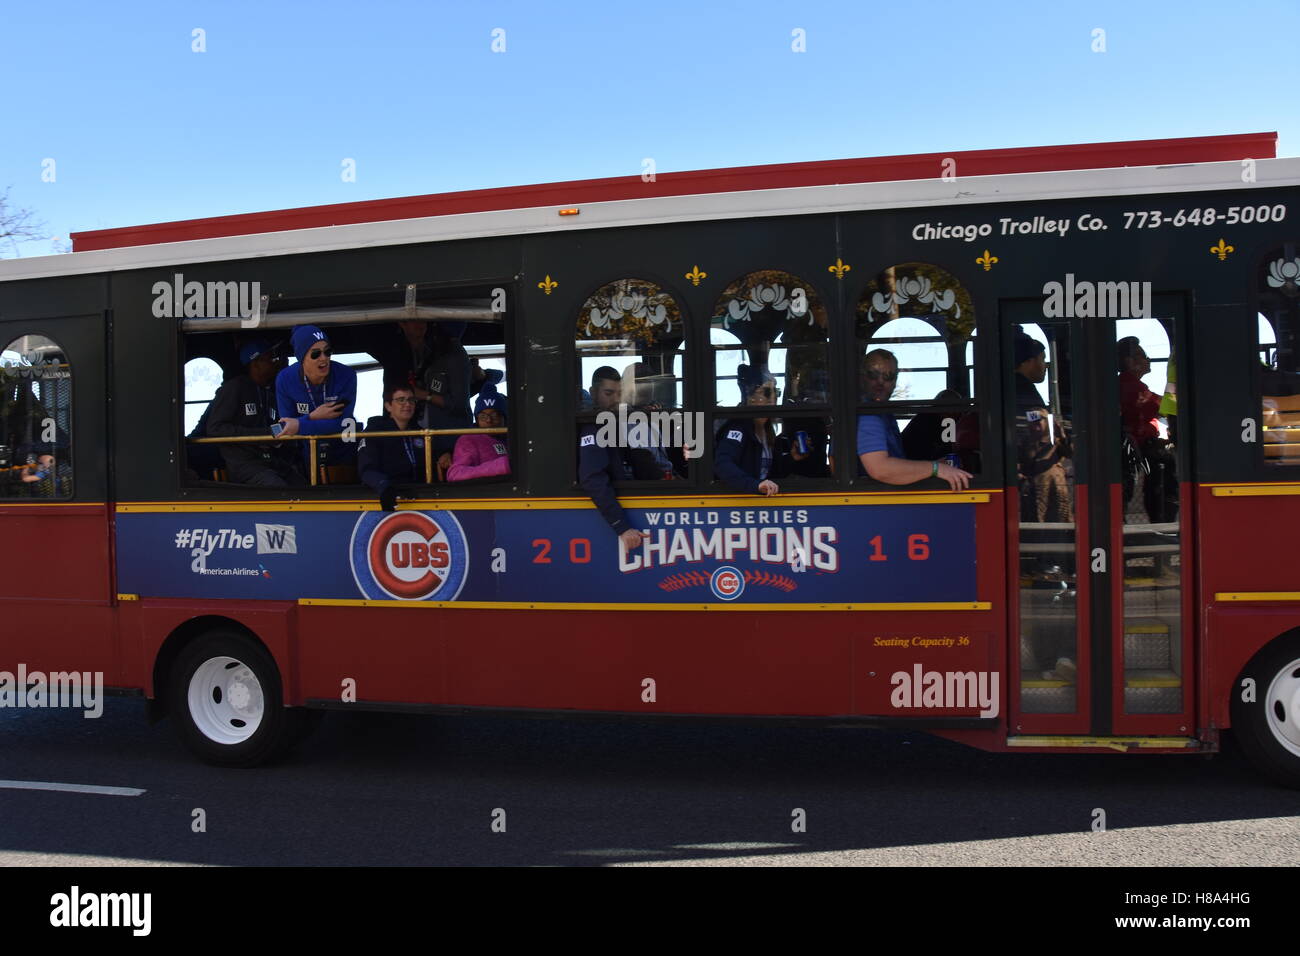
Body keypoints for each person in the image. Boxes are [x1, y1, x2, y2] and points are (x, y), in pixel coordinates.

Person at [857, 348, 971, 491]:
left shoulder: (883, 414)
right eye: (873, 374)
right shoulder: (868, 415)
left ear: (895, 380)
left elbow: (897, 461)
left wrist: (936, 465)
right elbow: (880, 469)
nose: (880, 382)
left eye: (888, 376)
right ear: (862, 376)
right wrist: (935, 468)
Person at [202, 339, 303, 487]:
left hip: (270, 461)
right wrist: (260, 436)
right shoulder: (235, 388)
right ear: (255, 363)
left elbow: (270, 429)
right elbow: (215, 429)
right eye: (271, 358)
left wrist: (286, 431)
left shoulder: (268, 392)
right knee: (278, 487)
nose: (276, 362)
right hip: (245, 465)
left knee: (303, 485)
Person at [578, 366, 647, 552]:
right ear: (593, 393)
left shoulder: (617, 423)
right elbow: (592, 478)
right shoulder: (593, 428)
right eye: (609, 393)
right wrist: (621, 526)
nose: (616, 400)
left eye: (620, 394)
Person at [274, 325, 359, 472]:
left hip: (343, 451)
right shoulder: (285, 379)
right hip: (307, 455)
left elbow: (346, 424)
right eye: (315, 354)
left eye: (327, 352)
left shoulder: (347, 375)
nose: (324, 358)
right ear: (301, 357)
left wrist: (300, 425)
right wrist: (313, 416)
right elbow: (285, 427)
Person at [1118, 336, 1177, 523]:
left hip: (1135, 448)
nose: (1148, 360)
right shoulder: (1131, 386)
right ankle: (1162, 522)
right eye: (1142, 356)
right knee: (1164, 474)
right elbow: (1162, 406)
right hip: (1137, 450)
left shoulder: (1128, 384)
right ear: (1130, 362)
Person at [714, 364, 786, 496]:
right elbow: (723, 464)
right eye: (767, 392)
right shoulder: (738, 429)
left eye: (776, 391)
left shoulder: (768, 432)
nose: (773, 397)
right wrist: (755, 485)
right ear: (751, 397)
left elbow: (772, 474)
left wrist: (792, 458)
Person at [358, 385, 424, 511]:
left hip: (422, 498)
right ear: (388, 406)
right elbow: (366, 470)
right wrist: (384, 487)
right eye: (401, 400)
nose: (407, 404)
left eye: (411, 400)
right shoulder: (374, 432)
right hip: (389, 496)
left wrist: (444, 453)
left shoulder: (421, 433)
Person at [421, 322, 472, 471]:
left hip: (450, 442)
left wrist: (424, 395)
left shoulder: (456, 358)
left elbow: (459, 404)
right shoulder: (437, 355)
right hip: (433, 438)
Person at [447, 384, 510, 482]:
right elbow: (455, 474)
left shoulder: (513, 437)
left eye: (495, 415)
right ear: (476, 419)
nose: (489, 420)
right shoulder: (468, 439)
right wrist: (502, 465)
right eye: (483, 416)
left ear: (504, 418)